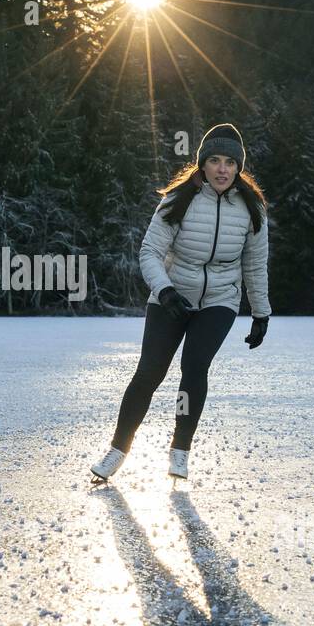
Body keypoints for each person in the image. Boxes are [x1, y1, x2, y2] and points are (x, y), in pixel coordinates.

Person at [90, 122, 271, 484]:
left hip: (219, 299)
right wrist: (166, 290)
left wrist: (261, 313)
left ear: (239, 167)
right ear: (202, 164)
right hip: (171, 295)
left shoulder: (252, 209)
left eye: (230, 162)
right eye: (215, 160)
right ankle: (117, 450)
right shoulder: (178, 199)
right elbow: (150, 252)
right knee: (150, 372)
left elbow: (254, 264)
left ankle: (180, 451)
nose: (222, 169)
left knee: (194, 366)